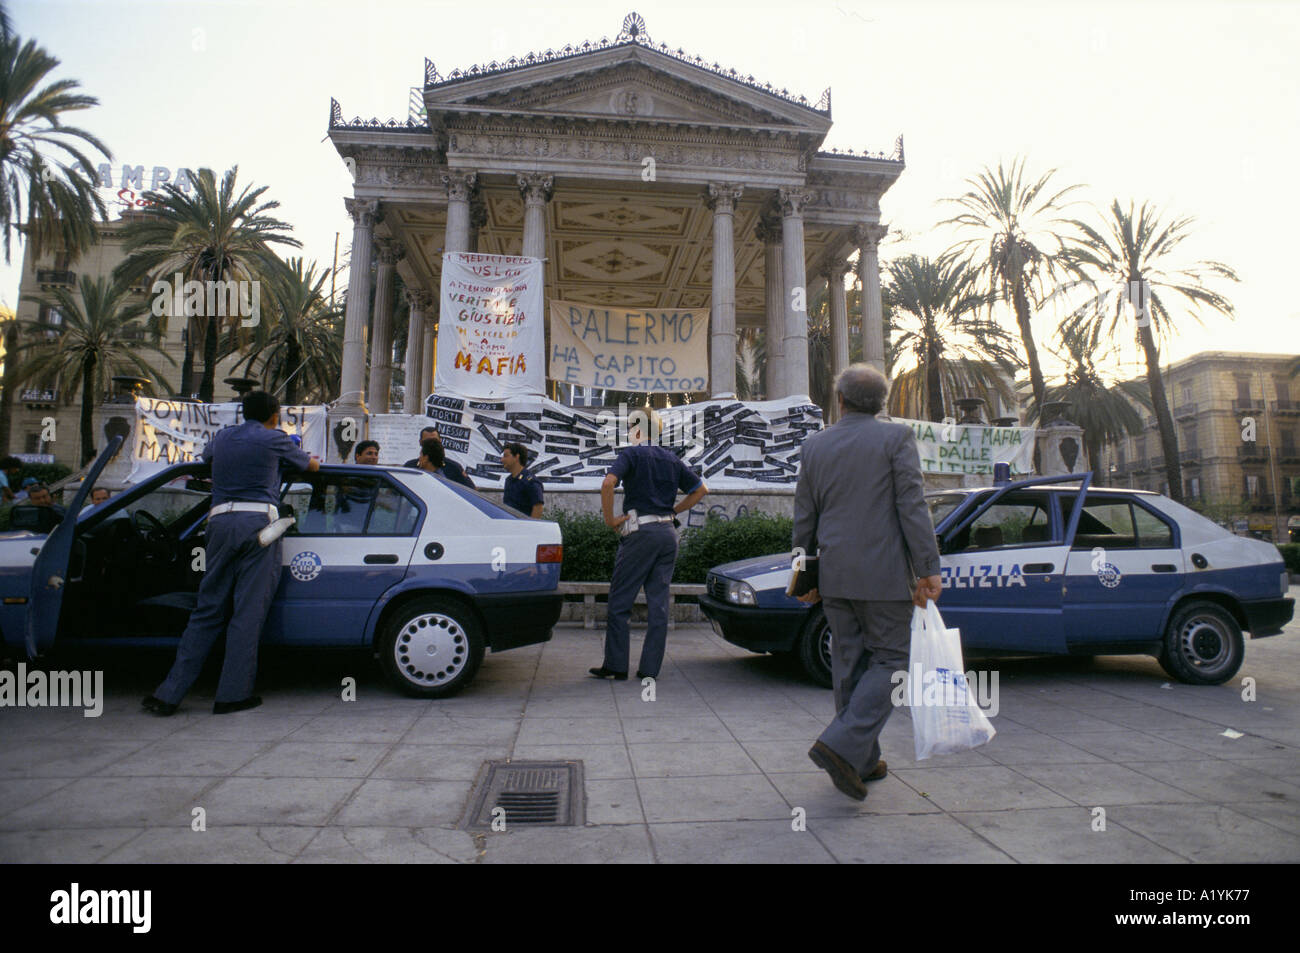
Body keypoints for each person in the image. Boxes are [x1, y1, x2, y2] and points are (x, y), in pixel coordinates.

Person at [795, 364, 942, 801]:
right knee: (893, 663)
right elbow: (912, 507)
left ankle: (860, 759)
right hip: (884, 575)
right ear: (883, 403)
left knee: (849, 664)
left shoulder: (815, 446)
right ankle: (840, 745)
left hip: (836, 574)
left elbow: (805, 514)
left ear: (839, 400)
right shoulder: (896, 438)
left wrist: (804, 571)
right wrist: (929, 567)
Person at [143, 390, 319, 716]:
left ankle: (168, 694)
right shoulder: (274, 438)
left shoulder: (222, 437)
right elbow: (311, 466)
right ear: (274, 414)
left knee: (207, 610)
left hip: (219, 523)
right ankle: (231, 695)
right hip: (259, 527)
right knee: (247, 612)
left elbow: (206, 460)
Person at [590, 409, 708, 681]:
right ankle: (649, 670)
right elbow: (701, 490)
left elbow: (608, 483)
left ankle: (617, 665)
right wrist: (674, 512)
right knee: (659, 605)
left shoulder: (631, 454)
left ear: (638, 430)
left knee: (620, 601)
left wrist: (610, 519)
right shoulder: (672, 459)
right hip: (667, 533)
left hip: (640, 533)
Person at [404, 424, 474, 488]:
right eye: (427, 442)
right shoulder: (410, 467)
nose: (431, 444)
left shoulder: (453, 468)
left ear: (440, 441)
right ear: (420, 442)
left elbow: (471, 491)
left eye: (435, 441)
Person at [501, 442, 543, 517]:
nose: (502, 460)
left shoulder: (530, 481)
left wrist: (530, 527)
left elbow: (538, 507)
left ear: (516, 457)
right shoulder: (509, 480)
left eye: (505, 456)